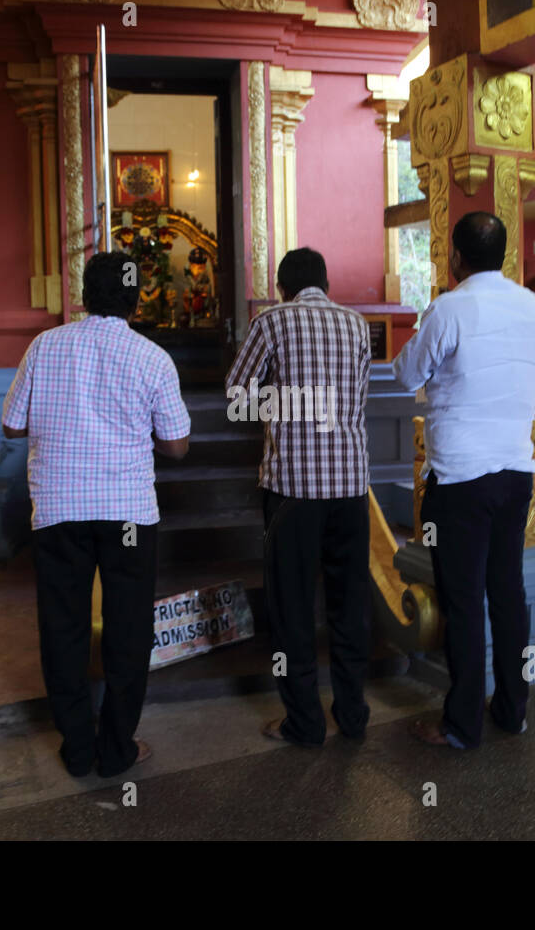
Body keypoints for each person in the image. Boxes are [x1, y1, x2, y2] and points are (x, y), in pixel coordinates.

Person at [2, 251, 190, 778]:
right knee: (129, 628)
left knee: (63, 627)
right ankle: (117, 747)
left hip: (59, 510)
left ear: (84, 296)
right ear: (137, 299)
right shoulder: (152, 357)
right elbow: (175, 447)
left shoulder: (44, 346)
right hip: (127, 514)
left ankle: (77, 748)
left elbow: (12, 427)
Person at [392, 212, 535, 750]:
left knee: (462, 599)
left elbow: (407, 373)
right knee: (508, 593)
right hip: (515, 473)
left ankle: (461, 724)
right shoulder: (533, 308)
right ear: (502, 255)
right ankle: (512, 709)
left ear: (456, 256)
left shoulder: (448, 308)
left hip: (460, 477)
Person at [226, 247, 372, 747]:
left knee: (292, 610)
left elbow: (237, 397)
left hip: (293, 491)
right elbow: (359, 400)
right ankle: (352, 716)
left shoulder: (272, 321)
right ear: (326, 284)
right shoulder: (357, 325)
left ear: (283, 288)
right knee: (349, 606)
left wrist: (283, 402)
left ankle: (304, 724)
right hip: (352, 489)